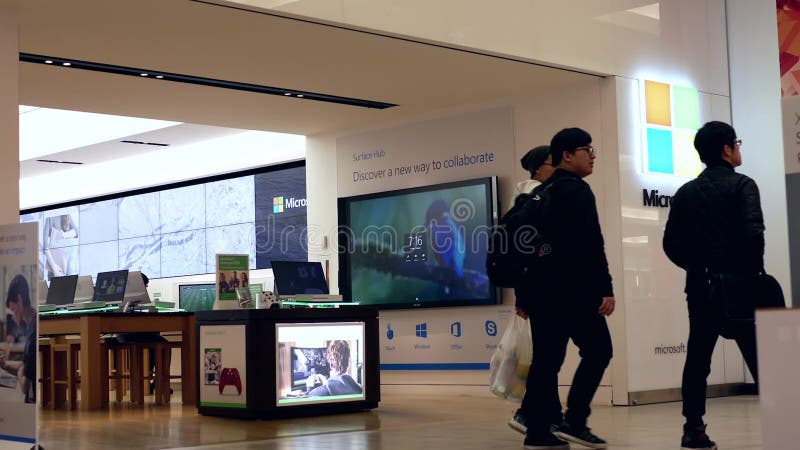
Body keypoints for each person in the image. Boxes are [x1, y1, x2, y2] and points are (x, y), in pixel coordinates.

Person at [663, 121, 763, 450]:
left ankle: (693, 429)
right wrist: (748, 273)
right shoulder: (743, 185)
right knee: (761, 356)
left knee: (698, 358)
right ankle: (786, 420)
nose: (739, 149)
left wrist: (698, 267)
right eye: (737, 143)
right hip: (741, 286)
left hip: (701, 287)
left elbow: (671, 245)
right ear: (726, 149)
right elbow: (753, 236)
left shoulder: (686, 192)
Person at [517, 128, 614, 450]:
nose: (593, 156)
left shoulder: (541, 193)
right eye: (587, 150)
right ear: (567, 155)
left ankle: (537, 432)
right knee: (599, 350)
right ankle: (575, 420)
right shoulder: (577, 190)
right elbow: (592, 243)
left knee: (546, 361)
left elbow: (527, 248)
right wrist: (605, 288)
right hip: (574, 290)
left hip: (541, 292)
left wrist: (524, 294)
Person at [507, 145, 556, 434]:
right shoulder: (532, 198)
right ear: (538, 168)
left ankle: (546, 413)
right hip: (541, 290)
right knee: (547, 356)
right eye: (552, 163)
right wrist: (522, 296)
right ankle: (530, 412)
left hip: (539, 290)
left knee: (547, 355)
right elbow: (522, 254)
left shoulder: (530, 196)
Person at [0, 275, 37, 403]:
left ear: (20, 300)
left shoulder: (33, 333)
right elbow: (24, 365)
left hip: (31, 402)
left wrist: (21, 371)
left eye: (13, 309)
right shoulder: (32, 325)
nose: (13, 317)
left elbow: (25, 386)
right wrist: (4, 365)